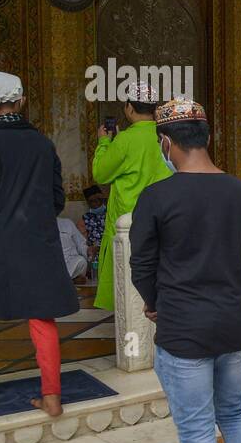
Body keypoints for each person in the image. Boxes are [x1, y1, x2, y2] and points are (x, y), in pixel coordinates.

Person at [130, 98, 241, 443]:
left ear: (167, 142)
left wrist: (155, 303)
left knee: (196, 431)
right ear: (206, 136)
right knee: (235, 416)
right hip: (234, 325)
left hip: (184, 329)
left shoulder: (158, 198)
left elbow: (141, 264)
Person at [0, 71, 79, 418]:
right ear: (22, 101)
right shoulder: (43, 144)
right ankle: (52, 397)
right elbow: (57, 199)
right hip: (38, 241)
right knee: (41, 314)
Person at [91, 81, 172, 309]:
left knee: (128, 283)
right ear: (155, 109)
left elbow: (101, 173)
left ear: (128, 108)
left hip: (129, 221)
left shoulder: (125, 139)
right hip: (162, 219)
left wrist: (105, 142)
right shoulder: (165, 136)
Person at [81, 184, 107, 276]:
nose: (95, 204)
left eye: (98, 200)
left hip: (109, 250)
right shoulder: (85, 219)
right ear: (88, 203)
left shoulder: (111, 215)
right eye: (92, 201)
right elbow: (82, 241)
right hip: (94, 255)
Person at [57, 217, 88, 282]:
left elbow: (81, 244)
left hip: (69, 264)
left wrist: (88, 252)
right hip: (50, 265)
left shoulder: (67, 223)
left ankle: (68, 280)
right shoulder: (37, 225)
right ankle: (70, 280)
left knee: (82, 262)